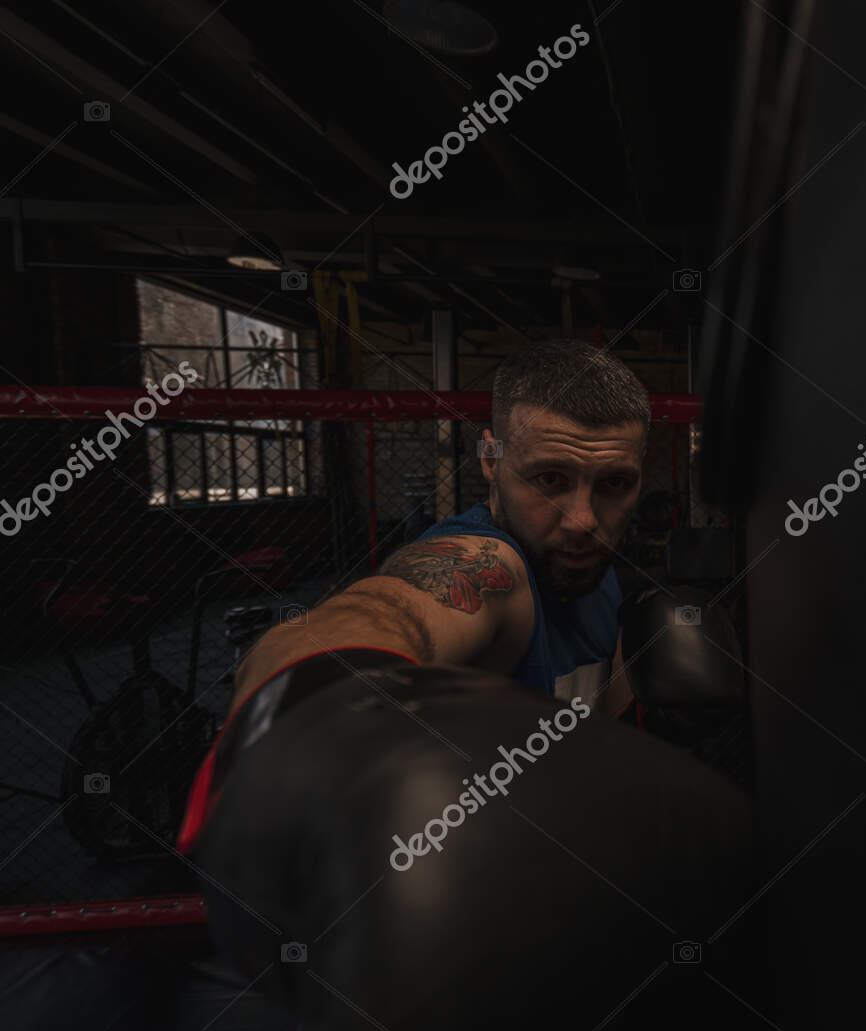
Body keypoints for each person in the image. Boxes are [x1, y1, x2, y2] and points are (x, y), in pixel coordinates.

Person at [176, 338, 648, 852]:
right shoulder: (488, 564)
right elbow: (377, 615)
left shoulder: (591, 570)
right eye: (549, 479)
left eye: (614, 484)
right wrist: (290, 747)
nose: (583, 520)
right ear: (491, 460)